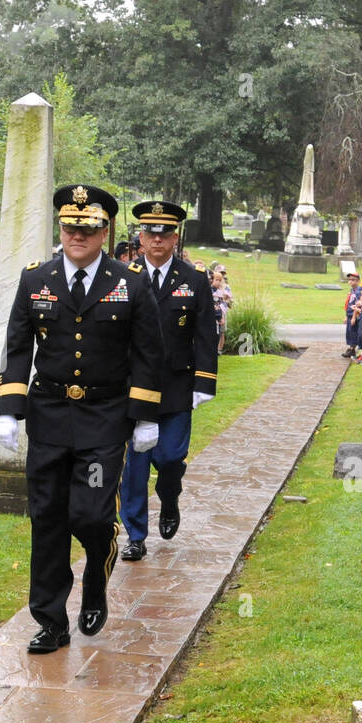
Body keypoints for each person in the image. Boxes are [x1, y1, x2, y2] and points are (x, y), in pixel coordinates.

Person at [0, 184, 166, 652]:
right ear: (61, 228)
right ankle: (50, 621)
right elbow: (17, 347)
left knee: (90, 515)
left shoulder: (130, 283)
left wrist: (146, 416)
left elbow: (148, 353)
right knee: (47, 519)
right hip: (49, 416)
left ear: (105, 232)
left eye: (87, 230)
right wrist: (10, 409)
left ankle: (96, 575)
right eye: (70, 227)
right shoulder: (36, 280)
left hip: (103, 419)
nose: (77, 237)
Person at [118, 199, 219, 562]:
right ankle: (134, 534)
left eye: (164, 234)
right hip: (131, 388)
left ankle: (170, 494)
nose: (156, 241)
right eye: (150, 233)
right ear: (140, 238)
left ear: (175, 238)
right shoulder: (122, 276)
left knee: (171, 458)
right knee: (134, 466)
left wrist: (204, 381)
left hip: (175, 386)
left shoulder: (192, 280)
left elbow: (206, 332)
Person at [210, 268, 233, 353]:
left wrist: (222, 316)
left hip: (219, 316)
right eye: (217, 280)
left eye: (220, 280)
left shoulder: (224, 289)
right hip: (210, 316)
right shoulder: (209, 289)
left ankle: (218, 350)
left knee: (219, 333)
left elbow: (226, 301)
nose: (218, 282)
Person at [342, 271, 362, 359]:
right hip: (349, 314)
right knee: (349, 332)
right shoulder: (352, 290)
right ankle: (351, 348)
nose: (351, 282)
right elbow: (348, 303)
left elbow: (357, 305)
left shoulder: (358, 291)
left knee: (353, 332)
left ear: (358, 281)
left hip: (354, 315)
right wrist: (346, 316)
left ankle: (352, 349)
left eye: (353, 280)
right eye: (350, 280)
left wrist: (354, 317)